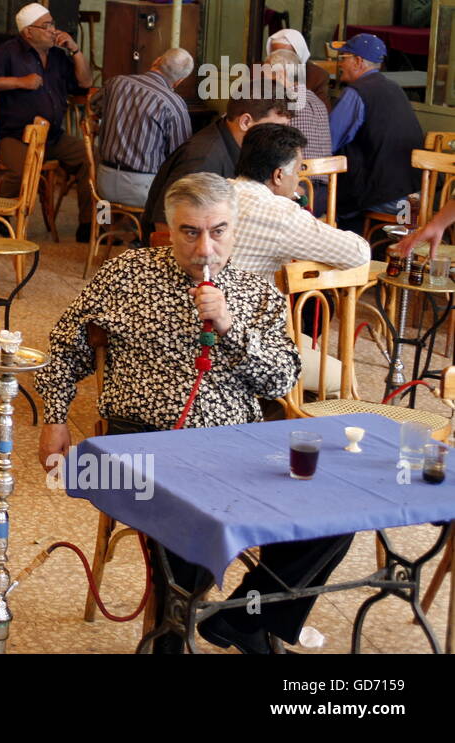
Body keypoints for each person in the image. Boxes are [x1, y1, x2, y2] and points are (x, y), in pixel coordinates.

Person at [35, 172, 348, 654]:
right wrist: (55, 416)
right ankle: (171, 635)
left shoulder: (255, 293)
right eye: (190, 232)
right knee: (196, 517)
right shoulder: (128, 274)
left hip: (234, 446)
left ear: (235, 230)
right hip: (139, 440)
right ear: (169, 227)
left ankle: (244, 618)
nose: (205, 247)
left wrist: (228, 325)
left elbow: (282, 379)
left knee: (334, 516)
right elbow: (64, 347)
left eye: (218, 230)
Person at [0, 2, 94, 237]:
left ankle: (88, 225)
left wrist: (76, 51)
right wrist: (20, 82)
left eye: (53, 25)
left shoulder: (58, 56)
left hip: (52, 137)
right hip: (15, 135)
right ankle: (1, 212)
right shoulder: (9, 52)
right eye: (46, 26)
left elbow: (86, 82)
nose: (53, 31)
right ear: (29, 31)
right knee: (24, 169)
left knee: (90, 158)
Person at [230, 123, 370, 282]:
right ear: (278, 176)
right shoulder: (280, 215)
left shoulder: (222, 191)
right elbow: (359, 253)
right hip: (250, 305)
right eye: (297, 172)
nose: (298, 179)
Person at [143, 94, 292, 231]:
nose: (281, 137)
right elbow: (164, 228)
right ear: (245, 122)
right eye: (276, 128)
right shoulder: (204, 157)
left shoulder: (239, 144)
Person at [328, 33, 424, 230]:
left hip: (387, 199)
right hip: (415, 195)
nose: (340, 64)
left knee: (322, 204)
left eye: (343, 58)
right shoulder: (394, 88)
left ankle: (353, 255)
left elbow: (328, 142)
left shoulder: (355, 93)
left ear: (358, 61)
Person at [93, 47, 193, 209]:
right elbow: (178, 154)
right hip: (142, 191)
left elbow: (94, 107)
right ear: (179, 81)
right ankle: (142, 233)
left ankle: (103, 229)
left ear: (156, 61)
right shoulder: (173, 104)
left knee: (105, 210)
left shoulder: (116, 82)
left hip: (103, 183)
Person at [267, 27, 330, 108]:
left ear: (299, 55)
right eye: (276, 55)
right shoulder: (262, 72)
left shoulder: (317, 76)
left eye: (287, 55)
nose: (280, 61)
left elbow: (323, 111)